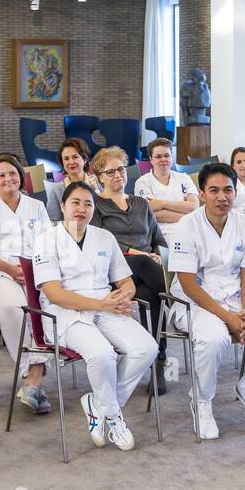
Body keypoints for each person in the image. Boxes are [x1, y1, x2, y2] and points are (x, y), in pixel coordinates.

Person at [169, 163, 245, 438]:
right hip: (195, 303)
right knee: (215, 339)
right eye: (213, 190)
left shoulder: (243, 225)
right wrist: (229, 318)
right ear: (201, 194)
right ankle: (202, 401)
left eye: (228, 190)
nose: (221, 197)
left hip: (236, 299)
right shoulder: (186, 227)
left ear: (235, 193)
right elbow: (189, 285)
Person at [31, 181, 158, 451]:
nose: (82, 209)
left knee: (147, 348)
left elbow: (126, 282)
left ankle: (98, 405)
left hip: (106, 306)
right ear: (63, 206)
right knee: (102, 355)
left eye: (88, 204)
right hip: (65, 313)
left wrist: (123, 297)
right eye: (75, 202)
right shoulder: (46, 240)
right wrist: (102, 304)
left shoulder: (104, 237)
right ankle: (113, 418)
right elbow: (54, 294)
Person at [0, 152, 53, 414]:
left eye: (12, 173)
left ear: (21, 176)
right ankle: (32, 375)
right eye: (1, 175)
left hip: (35, 272)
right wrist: (10, 269)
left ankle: (33, 379)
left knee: (50, 307)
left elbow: (49, 245)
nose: (8, 179)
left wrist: (33, 271)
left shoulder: (36, 206)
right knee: (14, 308)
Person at [90, 145, 170, 393]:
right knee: (145, 263)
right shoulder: (96, 205)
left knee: (150, 295)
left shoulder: (141, 204)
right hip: (114, 269)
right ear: (100, 177)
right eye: (111, 171)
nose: (118, 175)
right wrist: (140, 254)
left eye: (121, 169)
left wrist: (156, 254)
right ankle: (181, 300)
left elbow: (159, 240)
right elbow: (98, 241)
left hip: (147, 274)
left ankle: (158, 358)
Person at [134, 136, 199, 236]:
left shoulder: (184, 178)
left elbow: (194, 206)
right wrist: (186, 213)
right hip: (161, 234)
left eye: (167, 155)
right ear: (151, 159)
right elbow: (152, 214)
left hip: (190, 230)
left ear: (171, 157)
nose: (163, 159)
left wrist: (162, 203)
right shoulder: (142, 182)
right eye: (158, 156)